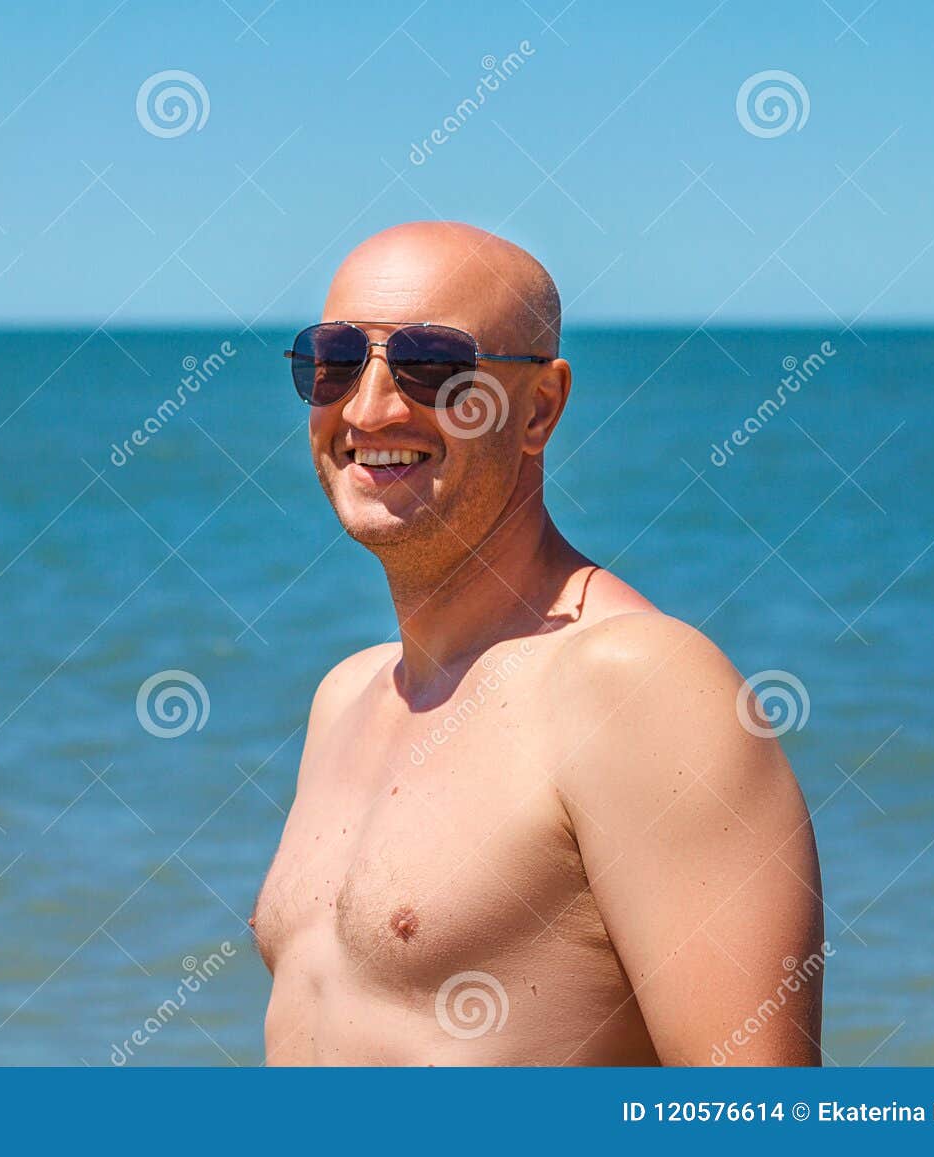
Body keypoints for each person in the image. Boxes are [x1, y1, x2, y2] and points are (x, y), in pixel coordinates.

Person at [251, 221, 824, 1065]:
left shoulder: (638, 687)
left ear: (539, 409)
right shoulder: (346, 695)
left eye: (432, 364)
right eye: (334, 360)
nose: (369, 407)